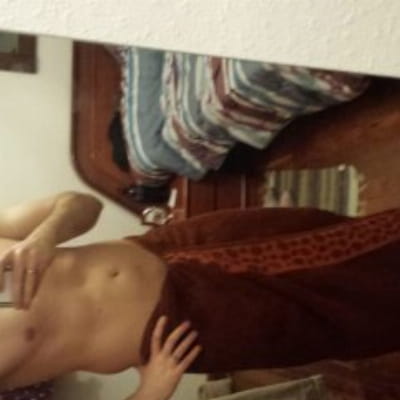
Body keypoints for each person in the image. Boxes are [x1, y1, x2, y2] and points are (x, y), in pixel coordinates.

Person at [2, 191, 400, 391]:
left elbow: (83, 204)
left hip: (173, 245)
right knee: (354, 315)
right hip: (186, 327)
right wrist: (152, 391)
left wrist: (43, 235)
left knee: (349, 235)